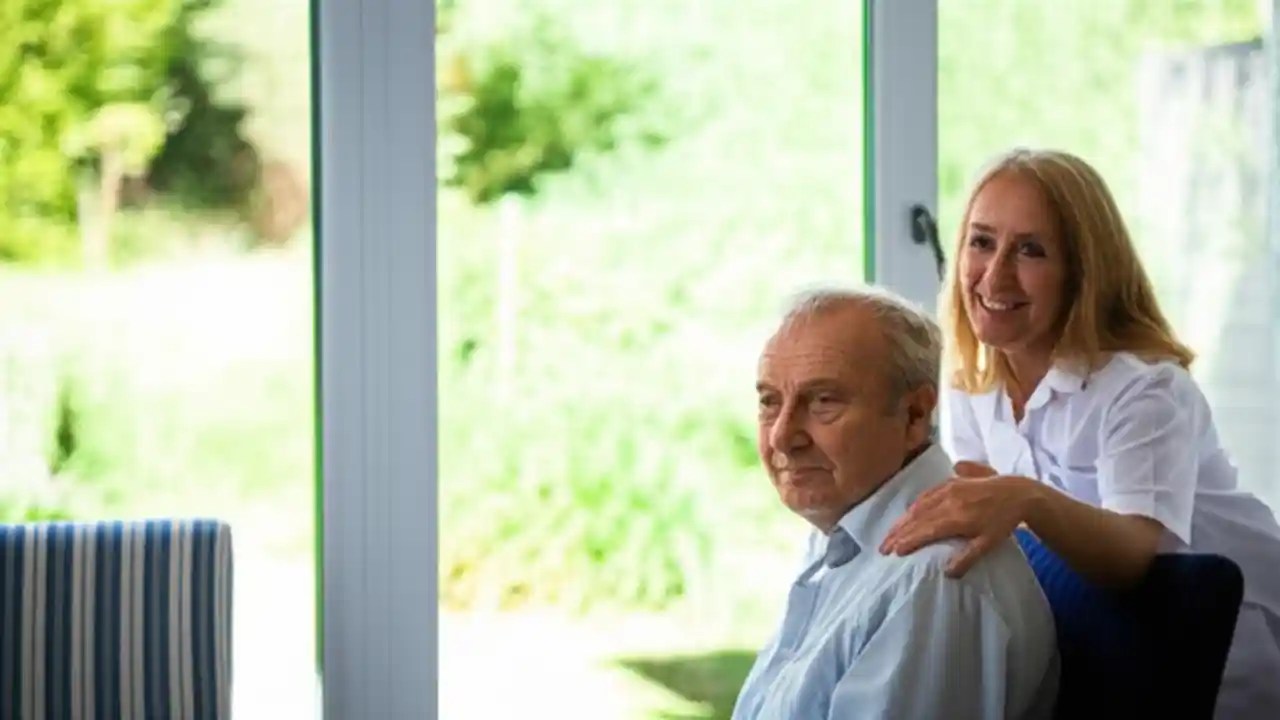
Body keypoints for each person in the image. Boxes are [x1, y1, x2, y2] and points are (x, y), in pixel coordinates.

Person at [879, 147, 1280, 718]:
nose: (994, 275)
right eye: (981, 241)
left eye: (1031, 251)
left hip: (1227, 653)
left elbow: (1132, 558)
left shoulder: (1145, 390)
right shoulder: (973, 381)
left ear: (1082, 273)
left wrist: (1026, 498)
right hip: (1101, 631)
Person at [732, 287, 1059, 720]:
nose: (782, 437)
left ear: (914, 416)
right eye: (770, 402)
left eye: (823, 401)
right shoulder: (843, 537)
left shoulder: (932, 579)